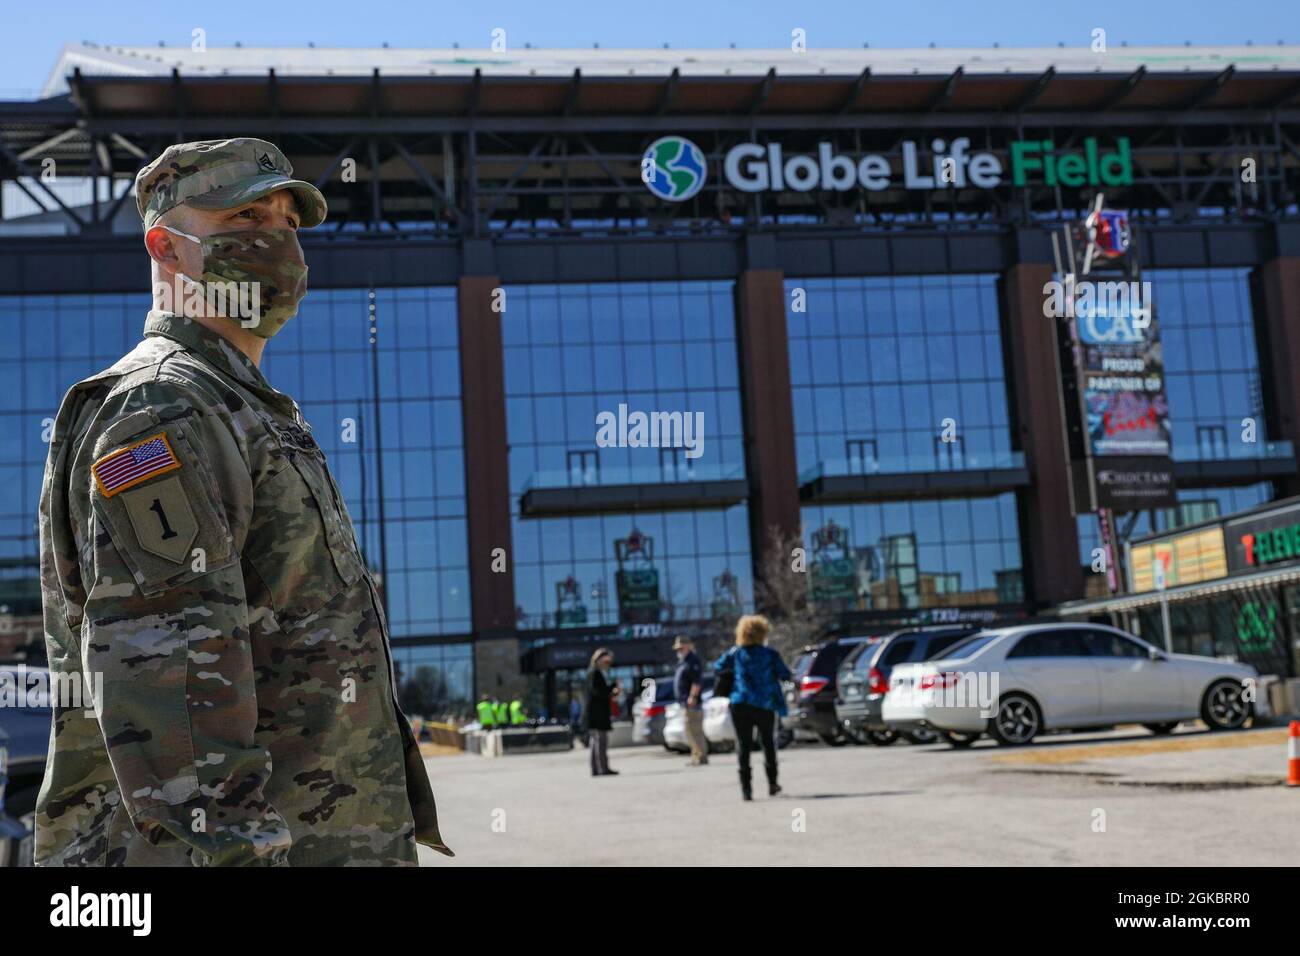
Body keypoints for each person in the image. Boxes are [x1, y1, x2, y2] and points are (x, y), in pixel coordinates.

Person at [35, 138, 450, 867]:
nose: (278, 241)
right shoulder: (165, 407)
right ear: (166, 246)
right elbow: (175, 701)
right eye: (246, 217)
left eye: (288, 221)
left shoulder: (244, 408)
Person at [714, 615, 793, 801]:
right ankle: (772, 784)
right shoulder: (770, 654)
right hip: (765, 704)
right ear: (763, 633)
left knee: (743, 745)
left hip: (740, 703)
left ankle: (746, 789)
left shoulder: (735, 653)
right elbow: (785, 674)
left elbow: (718, 667)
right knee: (768, 743)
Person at [672, 635, 708, 765]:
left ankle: (701, 757)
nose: (679, 651)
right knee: (689, 731)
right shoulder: (684, 661)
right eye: (678, 649)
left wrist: (692, 696)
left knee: (695, 731)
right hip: (685, 703)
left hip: (692, 703)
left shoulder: (693, 661)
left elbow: (696, 681)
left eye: (681, 648)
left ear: (688, 647)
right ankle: (696, 755)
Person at [585, 648, 620, 776]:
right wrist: (611, 689)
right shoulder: (595, 673)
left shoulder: (593, 672)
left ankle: (597, 769)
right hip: (597, 714)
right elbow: (599, 692)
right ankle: (602, 769)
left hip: (595, 714)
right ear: (599, 659)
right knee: (600, 741)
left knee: (596, 742)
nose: (607, 665)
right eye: (606, 661)